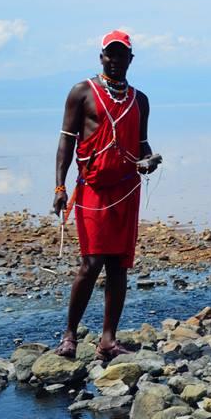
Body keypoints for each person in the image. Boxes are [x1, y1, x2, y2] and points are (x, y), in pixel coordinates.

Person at [51, 30, 159, 360]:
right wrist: (59, 186)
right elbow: (66, 141)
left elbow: (142, 146)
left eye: (121, 54)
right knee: (91, 262)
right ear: (101, 57)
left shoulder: (140, 100)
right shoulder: (82, 92)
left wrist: (149, 161)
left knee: (118, 265)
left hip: (127, 189)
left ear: (130, 59)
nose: (114, 60)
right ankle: (70, 334)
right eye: (109, 55)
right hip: (92, 189)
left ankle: (107, 341)